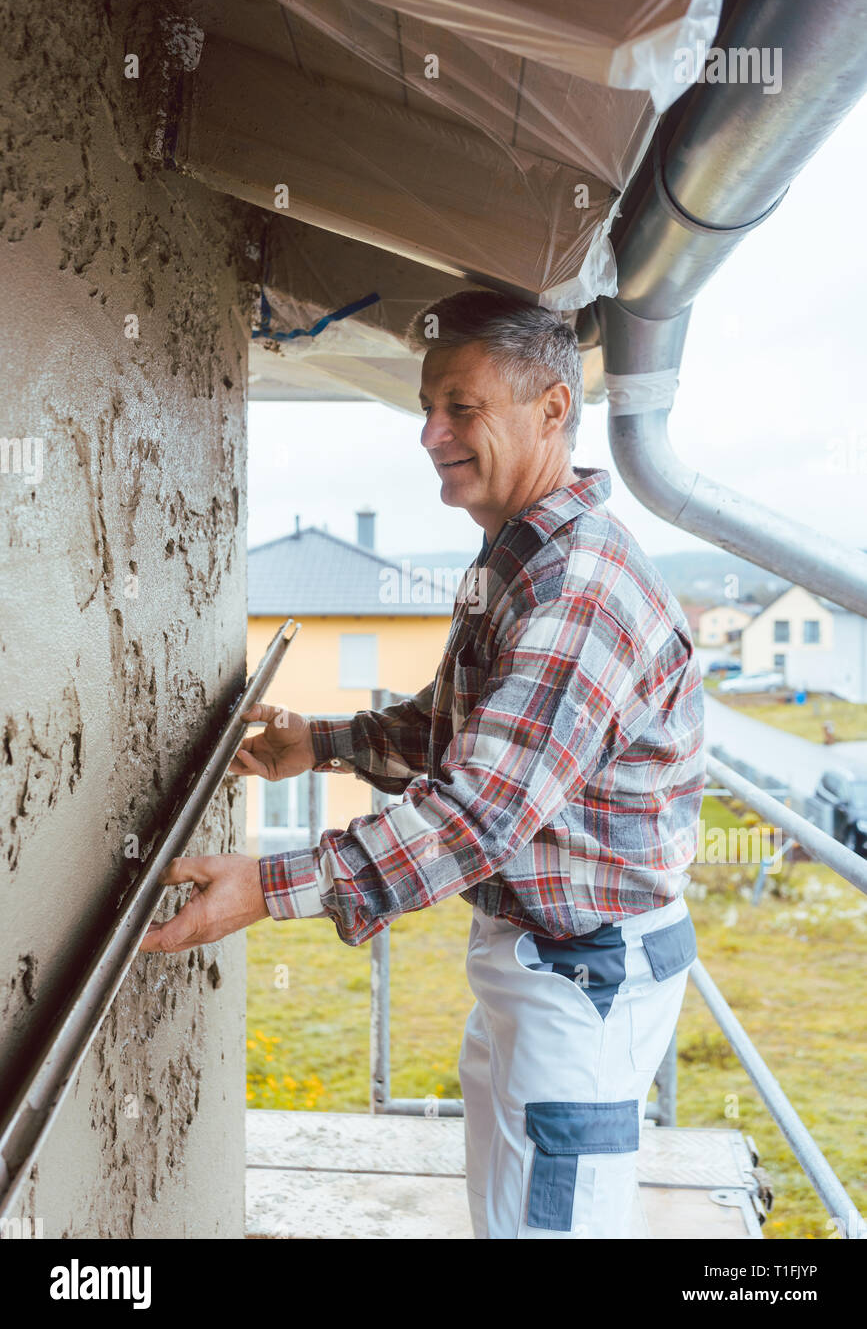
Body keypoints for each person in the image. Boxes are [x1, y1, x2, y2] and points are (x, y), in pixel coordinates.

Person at [140, 290, 705, 1239]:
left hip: (582, 975)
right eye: (426, 407)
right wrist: (320, 743)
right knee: (514, 1221)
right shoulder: (518, 559)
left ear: (553, 408)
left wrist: (268, 888)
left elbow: (476, 813)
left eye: (461, 407)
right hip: (543, 960)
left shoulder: (576, 589)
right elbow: (463, 738)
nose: (430, 433)